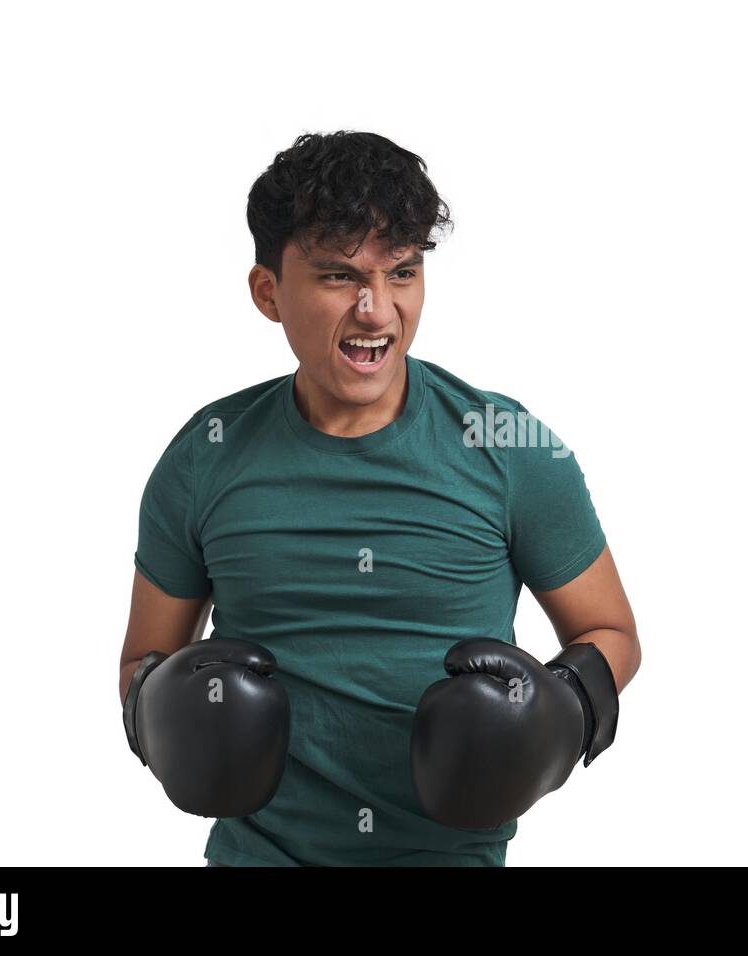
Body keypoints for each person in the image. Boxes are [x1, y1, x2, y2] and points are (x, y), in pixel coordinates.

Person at [117, 130, 642, 866]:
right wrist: (163, 709)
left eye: (402, 272)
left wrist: (556, 715)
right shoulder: (205, 455)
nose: (376, 310)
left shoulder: (509, 446)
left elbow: (612, 634)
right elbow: (143, 658)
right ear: (268, 292)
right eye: (338, 277)